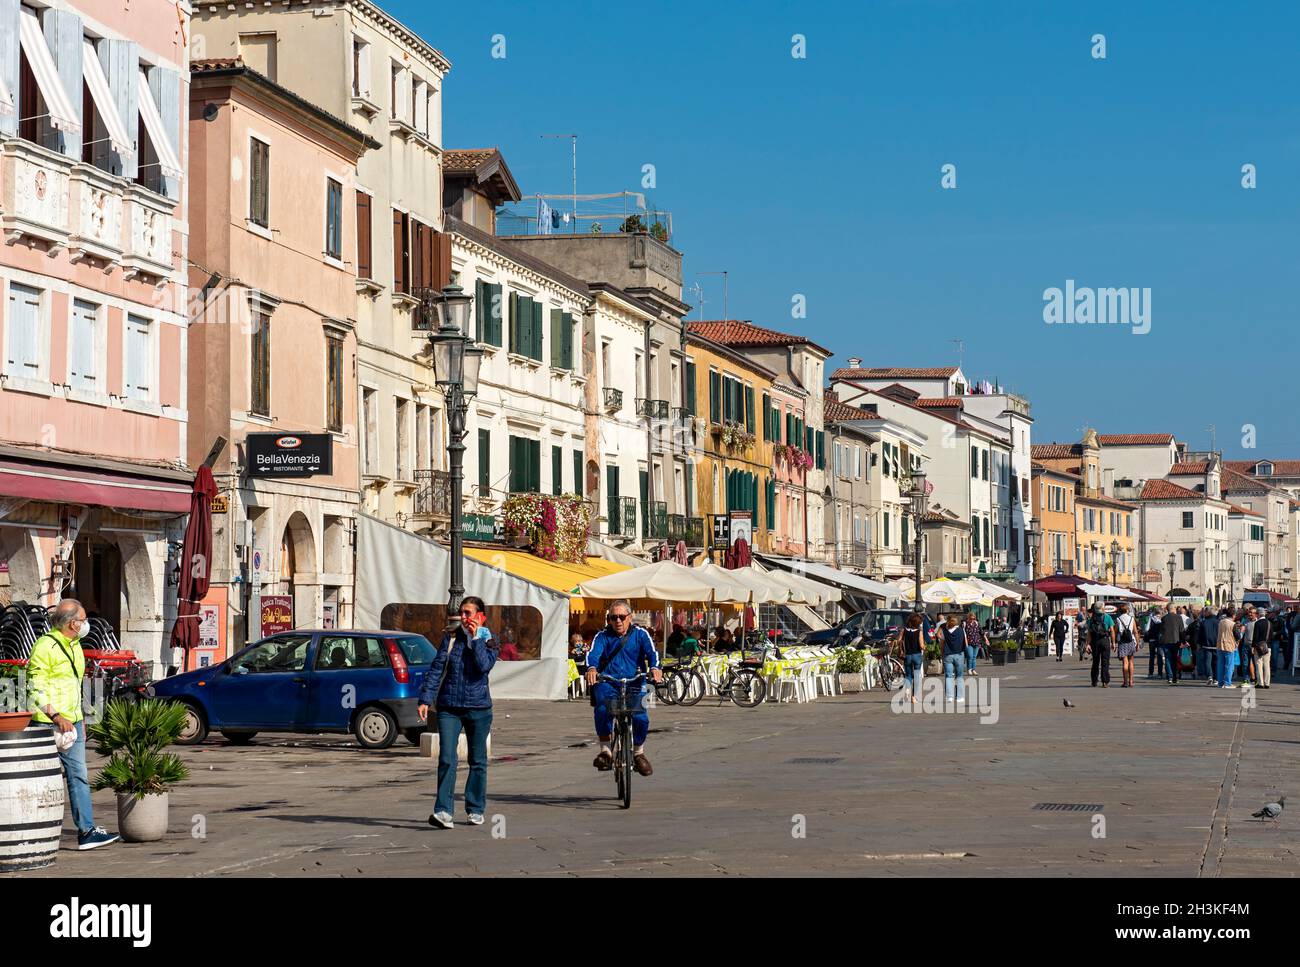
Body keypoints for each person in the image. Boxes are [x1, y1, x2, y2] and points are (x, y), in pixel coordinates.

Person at [27, 599, 120, 851]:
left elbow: (73, 686)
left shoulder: (75, 645)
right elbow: (34, 686)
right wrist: (56, 716)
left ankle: (86, 830)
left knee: (78, 775)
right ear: (72, 623)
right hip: (51, 723)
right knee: (43, 779)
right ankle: (35, 832)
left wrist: (80, 719)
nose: (86, 624)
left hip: (73, 721)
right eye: (83, 619)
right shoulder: (45, 646)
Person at [418, 596, 499, 830]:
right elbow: (437, 667)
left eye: (468, 613)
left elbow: (484, 666)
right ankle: (443, 811)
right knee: (446, 758)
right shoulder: (451, 637)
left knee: (478, 760)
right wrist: (425, 698)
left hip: (479, 708)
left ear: (480, 616)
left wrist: (475, 640)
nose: (463, 617)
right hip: (449, 708)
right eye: (462, 613)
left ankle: (475, 808)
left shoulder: (491, 639)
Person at [585, 600, 663, 776]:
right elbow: (593, 655)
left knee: (642, 716)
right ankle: (605, 751)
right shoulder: (602, 636)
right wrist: (591, 669)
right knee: (602, 709)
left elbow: (653, 654)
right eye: (613, 618)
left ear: (630, 617)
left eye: (621, 617)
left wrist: (655, 668)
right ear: (609, 620)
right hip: (608, 680)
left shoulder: (641, 634)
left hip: (637, 681)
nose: (617, 621)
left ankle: (638, 753)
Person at [895, 613, 926, 705]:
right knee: (916, 676)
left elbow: (898, 641)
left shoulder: (904, 630)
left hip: (907, 655)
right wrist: (925, 647)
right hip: (917, 656)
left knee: (908, 675)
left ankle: (907, 690)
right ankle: (914, 697)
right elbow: (921, 645)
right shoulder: (919, 632)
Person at [939, 614, 967, 704]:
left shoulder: (944, 631)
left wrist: (941, 653)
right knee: (959, 676)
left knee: (949, 676)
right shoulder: (961, 630)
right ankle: (959, 697)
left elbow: (942, 643)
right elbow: (965, 642)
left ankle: (949, 697)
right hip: (959, 654)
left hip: (948, 655)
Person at [1087, 604, 1115, 687]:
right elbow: (1112, 631)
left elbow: (1089, 633)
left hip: (1095, 641)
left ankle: (1094, 681)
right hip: (1105, 640)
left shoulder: (1091, 619)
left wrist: (1088, 644)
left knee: (1095, 662)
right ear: (1102, 608)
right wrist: (1113, 642)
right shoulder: (1107, 617)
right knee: (1105, 662)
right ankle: (1105, 681)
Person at [1113, 603, 1138, 687]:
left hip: (1122, 642)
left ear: (1120, 611)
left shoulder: (1118, 619)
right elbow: (1135, 632)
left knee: (1125, 662)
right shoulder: (1132, 619)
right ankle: (1131, 681)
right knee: (1131, 661)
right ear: (1127, 610)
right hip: (1131, 641)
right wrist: (1137, 643)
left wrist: (1114, 642)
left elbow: (1115, 631)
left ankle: (1125, 682)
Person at [1216, 608, 1239, 689]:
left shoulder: (1221, 622)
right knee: (1229, 665)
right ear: (1233, 615)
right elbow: (1238, 636)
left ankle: (1220, 682)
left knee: (1220, 665)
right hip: (1229, 646)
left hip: (1220, 645)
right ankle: (1227, 683)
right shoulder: (1233, 624)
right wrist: (1242, 631)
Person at [1251, 609, 1272, 689]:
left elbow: (1255, 636)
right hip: (1268, 646)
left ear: (1259, 614)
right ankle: (1267, 683)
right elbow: (1271, 636)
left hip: (1259, 646)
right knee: (1267, 665)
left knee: (1259, 664)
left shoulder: (1257, 623)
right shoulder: (1270, 623)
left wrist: (1253, 646)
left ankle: (1260, 683)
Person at [961, 611, 985, 677]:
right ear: (968, 618)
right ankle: (969, 669)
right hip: (968, 643)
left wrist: (986, 639)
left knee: (974, 657)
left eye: (973, 619)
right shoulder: (964, 624)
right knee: (970, 656)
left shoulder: (977, 623)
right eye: (971, 618)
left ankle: (973, 669)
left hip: (976, 642)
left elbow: (981, 632)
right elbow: (962, 633)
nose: (972, 620)